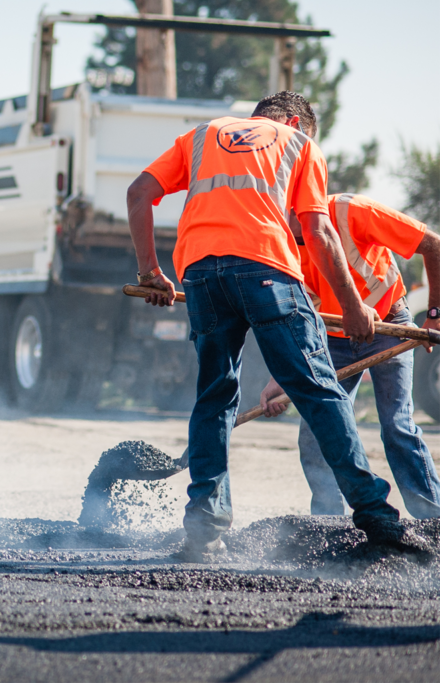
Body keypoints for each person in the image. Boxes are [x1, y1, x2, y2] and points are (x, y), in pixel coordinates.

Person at [126, 91, 414, 562]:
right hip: (265, 269)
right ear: (297, 121)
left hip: (199, 275)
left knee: (215, 395)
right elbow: (317, 232)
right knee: (318, 390)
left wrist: (149, 273)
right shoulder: (300, 144)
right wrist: (354, 306)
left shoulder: (201, 136)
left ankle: (204, 530)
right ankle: (377, 518)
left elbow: (138, 193)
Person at [259, 196, 440, 518]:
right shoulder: (276, 243)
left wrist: (436, 314)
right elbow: (294, 316)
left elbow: (433, 245)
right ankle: (329, 524)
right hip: (330, 340)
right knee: (316, 433)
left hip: (388, 328)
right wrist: (280, 379)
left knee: (397, 427)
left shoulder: (351, 212)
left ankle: (433, 518)